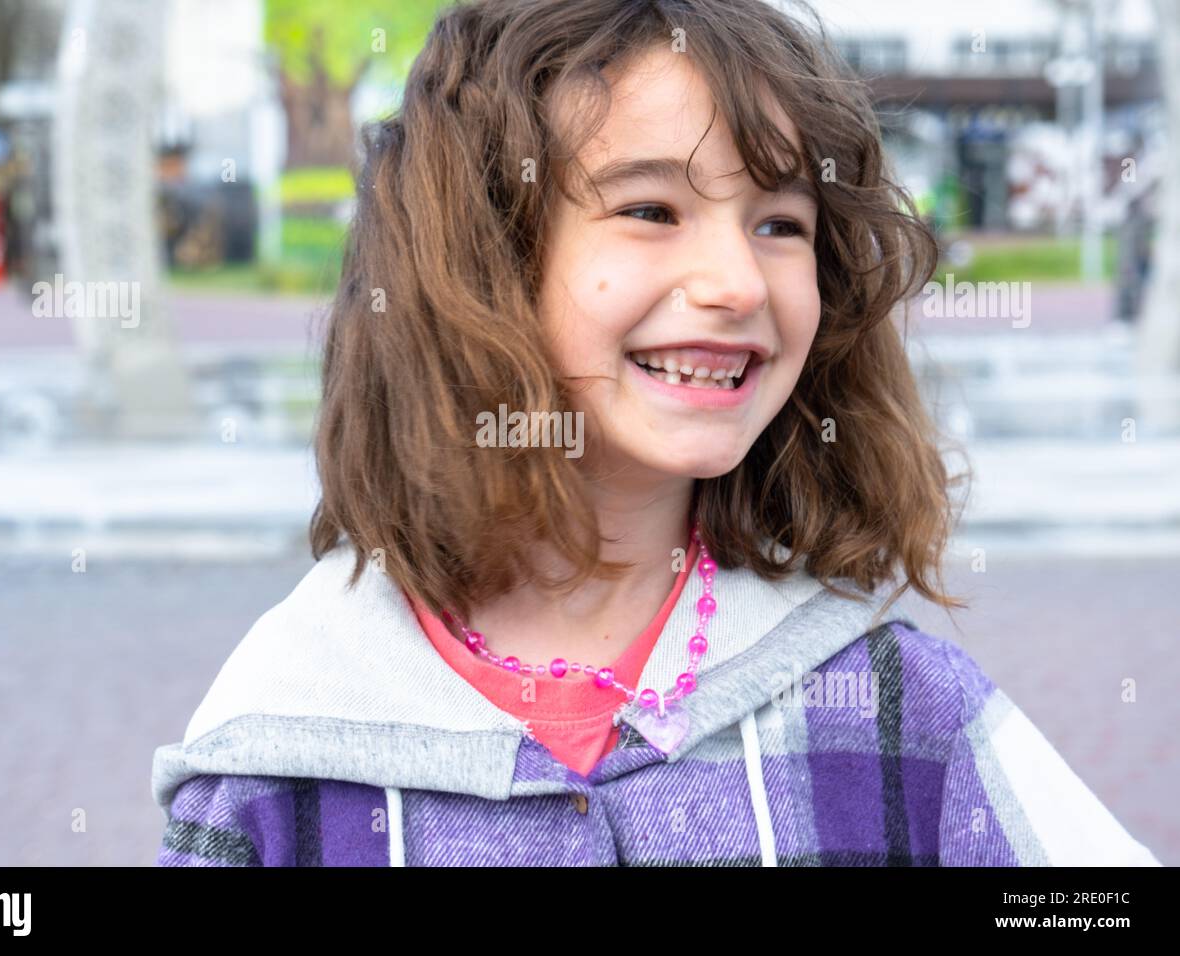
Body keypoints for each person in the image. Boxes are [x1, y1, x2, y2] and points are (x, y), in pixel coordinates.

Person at [150, 0, 1161, 866]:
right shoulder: (278, 756)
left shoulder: (898, 709)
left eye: (780, 223)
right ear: (480, 259)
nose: (735, 283)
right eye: (650, 209)